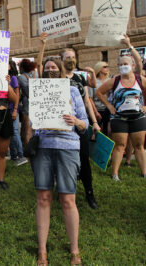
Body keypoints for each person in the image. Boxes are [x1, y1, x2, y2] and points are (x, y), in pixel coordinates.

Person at [33, 58, 88, 266]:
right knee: (43, 198)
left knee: (68, 199)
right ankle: (42, 251)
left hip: (68, 147)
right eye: (46, 68)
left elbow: (85, 125)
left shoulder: (73, 91)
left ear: (60, 69)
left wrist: (75, 121)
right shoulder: (38, 91)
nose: (50, 70)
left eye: (53, 67)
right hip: (43, 148)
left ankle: (74, 250)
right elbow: (31, 122)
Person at [58, 47, 100, 209]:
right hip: (63, 125)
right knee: (64, 160)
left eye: (73, 56)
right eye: (67, 57)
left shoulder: (80, 77)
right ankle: (65, 190)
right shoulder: (57, 78)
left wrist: (94, 121)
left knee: (84, 159)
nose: (71, 59)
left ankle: (89, 193)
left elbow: (87, 100)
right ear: (61, 60)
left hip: (80, 124)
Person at [96, 55, 146, 181]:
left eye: (126, 64)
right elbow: (99, 92)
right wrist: (109, 106)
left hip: (138, 117)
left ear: (133, 66)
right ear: (118, 66)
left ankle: (144, 173)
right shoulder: (115, 81)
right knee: (120, 145)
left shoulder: (140, 79)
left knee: (139, 145)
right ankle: (115, 174)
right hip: (119, 118)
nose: (124, 66)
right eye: (121, 64)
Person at [9, 60, 27, 166]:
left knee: (15, 132)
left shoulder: (14, 78)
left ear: (11, 67)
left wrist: (15, 110)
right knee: (11, 133)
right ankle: (13, 156)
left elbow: (17, 95)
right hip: (6, 110)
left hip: (13, 110)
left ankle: (21, 155)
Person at [17, 58, 39, 145]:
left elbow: (18, 92)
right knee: (37, 127)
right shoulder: (36, 74)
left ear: (22, 67)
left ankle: (27, 147)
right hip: (38, 102)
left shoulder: (20, 78)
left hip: (27, 103)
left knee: (27, 128)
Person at [88, 61, 111, 135]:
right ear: (99, 68)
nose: (107, 68)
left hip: (109, 109)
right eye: (105, 66)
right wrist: (95, 112)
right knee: (98, 133)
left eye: (107, 66)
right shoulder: (94, 81)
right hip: (97, 109)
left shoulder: (110, 81)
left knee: (109, 131)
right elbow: (90, 98)